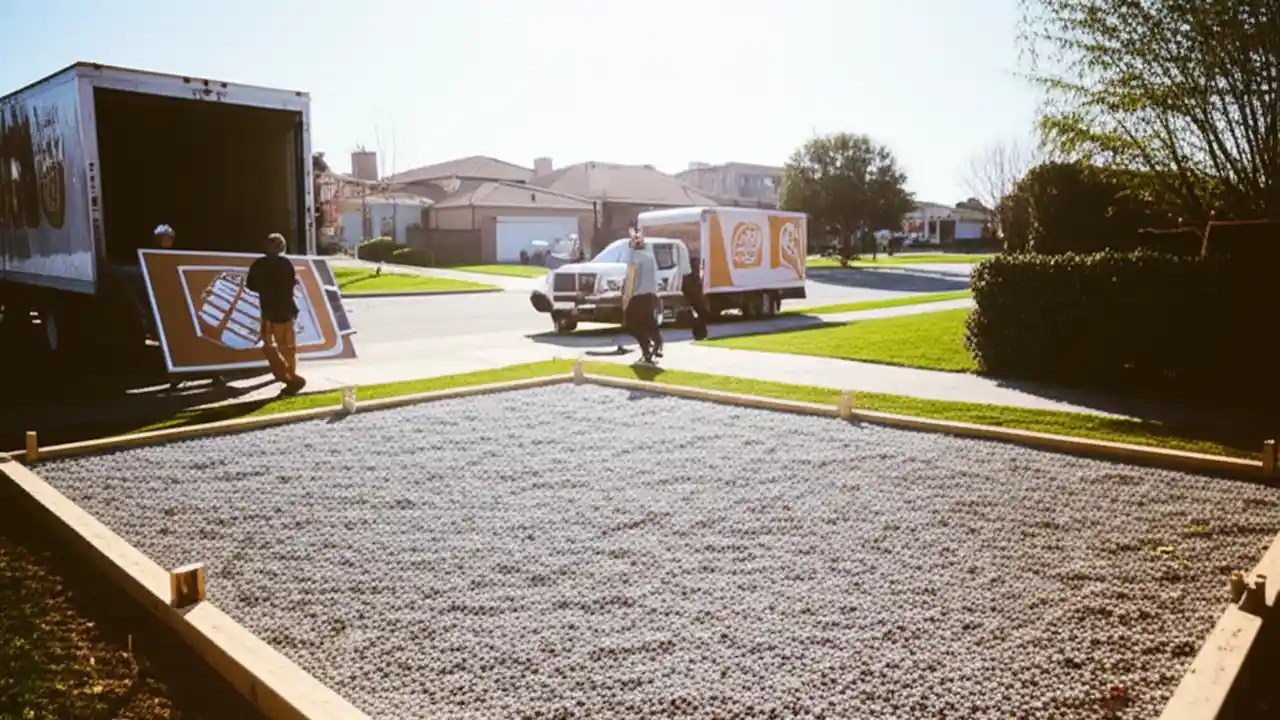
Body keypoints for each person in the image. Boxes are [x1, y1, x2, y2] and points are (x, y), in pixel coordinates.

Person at [246, 233, 306, 396]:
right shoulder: (286, 264)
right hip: (285, 310)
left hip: (268, 310)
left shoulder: (258, 264)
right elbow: (291, 283)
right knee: (286, 348)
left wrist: (264, 288)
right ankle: (290, 376)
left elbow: (250, 285)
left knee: (269, 346)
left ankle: (286, 375)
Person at [621, 228, 663, 364]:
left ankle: (647, 348)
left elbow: (631, 280)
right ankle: (657, 343)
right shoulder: (650, 257)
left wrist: (626, 299)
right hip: (650, 295)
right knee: (648, 322)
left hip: (638, 296)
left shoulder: (634, 258)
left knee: (630, 325)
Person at [675, 240, 711, 340]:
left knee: (699, 315)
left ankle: (699, 333)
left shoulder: (688, 275)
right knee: (701, 314)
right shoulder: (693, 276)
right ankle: (700, 333)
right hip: (696, 297)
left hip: (693, 297)